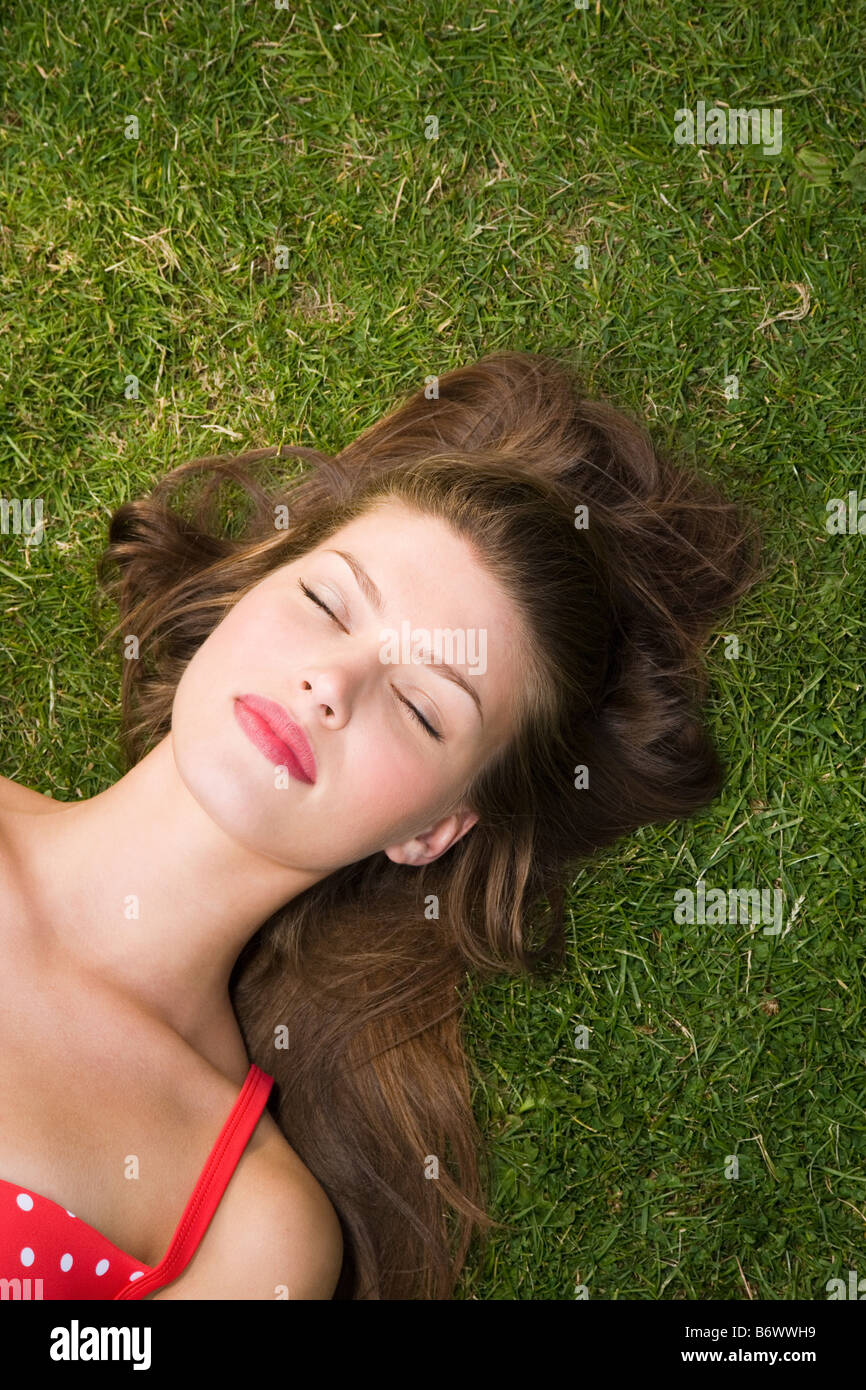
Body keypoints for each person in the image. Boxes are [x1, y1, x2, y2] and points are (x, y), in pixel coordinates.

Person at [0, 350, 765, 1299]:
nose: (334, 686)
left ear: (434, 831)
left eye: (422, 706)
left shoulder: (253, 1238)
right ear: (249, 584)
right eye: (327, 602)